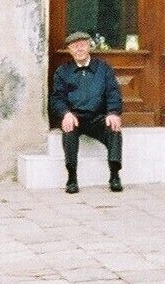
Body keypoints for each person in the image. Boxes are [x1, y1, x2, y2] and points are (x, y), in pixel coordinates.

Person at [50, 30, 123, 194]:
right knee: (68, 131)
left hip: (98, 117)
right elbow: (57, 98)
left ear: (89, 46)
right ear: (69, 50)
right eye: (74, 46)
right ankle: (72, 177)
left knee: (114, 128)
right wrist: (65, 113)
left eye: (82, 45)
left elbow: (113, 92)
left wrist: (113, 112)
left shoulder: (103, 68)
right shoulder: (63, 72)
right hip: (75, 118)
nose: (79, 49)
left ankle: (114, 175)